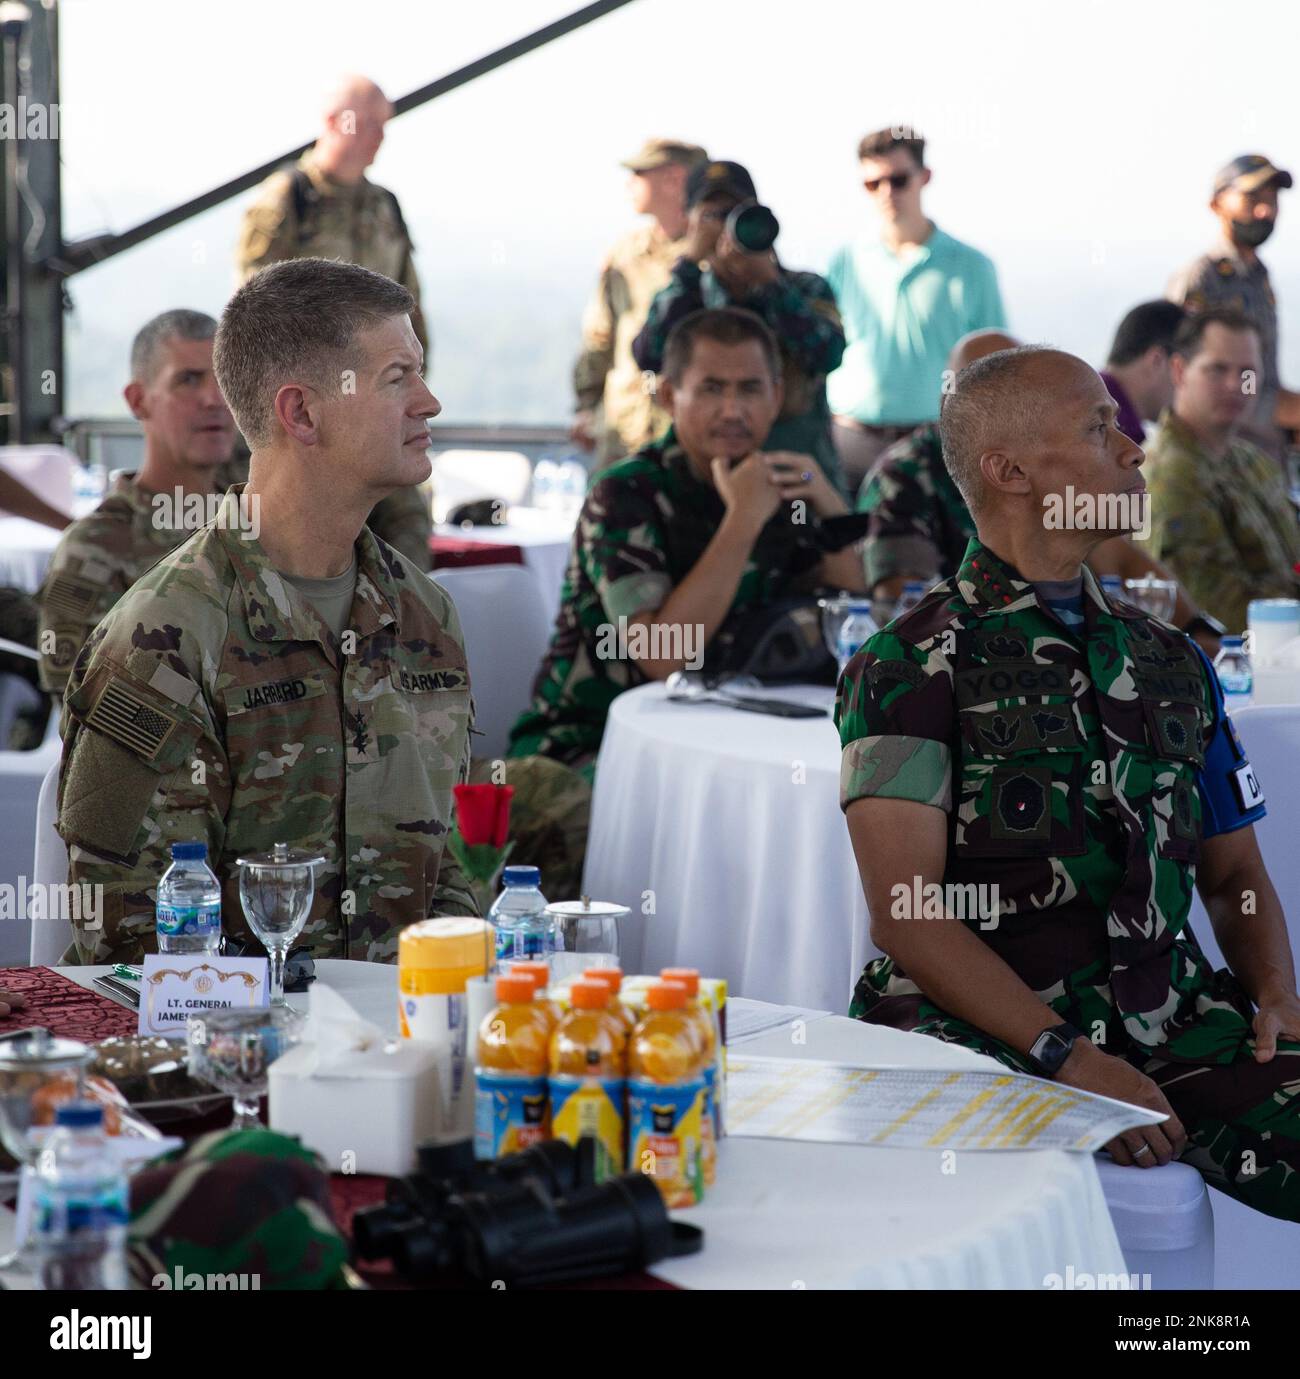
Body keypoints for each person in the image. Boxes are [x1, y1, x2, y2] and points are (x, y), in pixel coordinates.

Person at [839, 344, 1300, 1220]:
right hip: (984, 1036)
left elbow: (1235, 874)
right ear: (1008, 470)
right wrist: (1069, 1060)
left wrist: (1275, 990)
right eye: (1099, 427)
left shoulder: (1171, 658)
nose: (1133, 446)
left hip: (1175, 1025)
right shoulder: (904, 665)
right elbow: (905, 910)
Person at [56, 259, 477, 965]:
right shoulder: (166, 638)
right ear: (302, 412)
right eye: (397, 378)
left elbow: (448, 866)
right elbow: (130, 938)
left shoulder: (423, 615)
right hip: (239, 1051)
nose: (428, 401)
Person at [505, 307, 867, 892]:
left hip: (745, 738)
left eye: (750, 389)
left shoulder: (776, 485)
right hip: (595, 744)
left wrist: (827, 504)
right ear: (670, 395)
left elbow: (857, 616)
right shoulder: (625, 494)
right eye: (712, 389)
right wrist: (743, 520)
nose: (733, 409)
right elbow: (664, 654)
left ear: (777, 397)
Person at [858, 329, 1220, 650]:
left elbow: (1123, 559)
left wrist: (1198, 631)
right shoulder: (905, 472)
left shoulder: (1163, 654)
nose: (1135, 452)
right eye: (1096, 428)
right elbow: (901, 598)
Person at [235, 75, 432, 569]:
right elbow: (258, 310)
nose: (379, 138)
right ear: (332, 122)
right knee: (303, 538)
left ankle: (400, 639)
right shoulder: (288, 200)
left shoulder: (384, 205)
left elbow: (410, 303)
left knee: (407, 525)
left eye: (384, 127)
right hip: (312, 406)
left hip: (383, 398)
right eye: (368, 125)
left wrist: (410, 378)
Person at [37, 310, 235, 696]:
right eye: (188, 380)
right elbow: (83, 704)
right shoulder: (95, 547)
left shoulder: (257, 524)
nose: (214, 399)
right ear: (139, 400)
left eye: (226, 378)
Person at [631, 161, 847, 494]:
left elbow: (828, 354)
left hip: (797, 477)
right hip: (704, 484)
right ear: (688, 221)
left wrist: (770, 284)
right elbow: (649, 355)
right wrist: (689, 265)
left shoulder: (804, 289)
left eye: (735, 214)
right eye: (711, 216)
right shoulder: (687, 295)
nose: (724, 226)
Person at [827, 127, 1006, 491]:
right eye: (872, 184)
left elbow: (996, 364)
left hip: (933, 445)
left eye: (898, 179)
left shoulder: (971, 266)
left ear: (925, 177)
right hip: (849, 440)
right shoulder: (844, 261)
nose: (886, 193)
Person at [1141, 309, 1300, 633]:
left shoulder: (1253, 462)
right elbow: (1215, 610)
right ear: (1180, 371)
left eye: (1247, 373)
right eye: (1217, 370)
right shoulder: (1170, 475)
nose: (1234, 385)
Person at [572, 138, 708, 468]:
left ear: (674, 179)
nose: (629, 184)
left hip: (688, 433)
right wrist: (586, 407)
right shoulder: (625, 254)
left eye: (639, 174)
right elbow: (599, 338)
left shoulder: (712, 258)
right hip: (623, 430)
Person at [1167, 153, 1300, 462]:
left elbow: (1257, 378)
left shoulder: (1259, 276)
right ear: (1217, 204)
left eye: (1272, 199)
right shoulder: (1203, 279)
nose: (1266, 210)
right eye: (1252, 198)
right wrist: (1281, 408)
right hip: (1217, 460)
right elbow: (1186, 381)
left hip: (1264, 455)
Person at [1099, 300, 1186, 446]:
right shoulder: (1120, 436)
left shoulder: (1087, 401)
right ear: (1157, 361)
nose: (1187, 386)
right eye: (1182, 369)